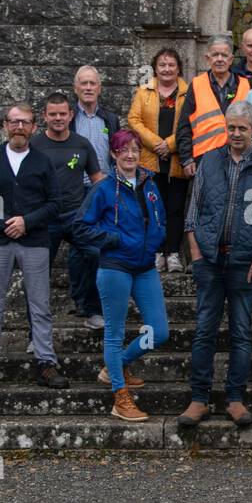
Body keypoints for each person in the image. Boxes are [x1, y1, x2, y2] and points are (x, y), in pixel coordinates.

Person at [179, 102, 252, 428]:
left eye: (242, 128)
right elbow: (192, 213)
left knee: (241, 334)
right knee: (204, 332)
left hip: (247, 264)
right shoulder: (210, 160)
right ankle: (198, 399)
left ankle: (235, 399)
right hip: (210, 263)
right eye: (231, 127)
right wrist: (197, 255)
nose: (236, 133)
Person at [0, 103, 69, 393]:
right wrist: (1, 223)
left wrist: (27, 221)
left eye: (24, 122)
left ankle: (45, 363)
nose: (19, 127)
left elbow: (55, 203)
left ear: (34, 127)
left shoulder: (42, 161)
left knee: (40, 306)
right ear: (5, 126)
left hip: (34, 241)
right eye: (14, 122)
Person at [71, 130, 171, 422]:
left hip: (145, 267)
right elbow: (80, 227)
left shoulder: (149, 183)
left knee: (159, 331)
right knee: (114, 333)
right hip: (114, 266)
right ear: (113, 154)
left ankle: (117, 365)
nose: (130, 155)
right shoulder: (102, 188)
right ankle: (120, 395)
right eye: (123, 150)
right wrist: (112, 239)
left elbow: (160, 218)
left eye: (135, 150)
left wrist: (157, 238)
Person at [29, 93, 105, 324]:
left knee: (95, 253)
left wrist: (100, 211)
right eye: (53, 114)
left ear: (71, 115)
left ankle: (91, 309)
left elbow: (98, 180)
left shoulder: (82, 144)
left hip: (76, 216)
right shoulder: (34, 145)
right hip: (44, 219)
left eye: (62, 113)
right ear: (44, 116)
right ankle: (36, 330)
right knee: (38, 273)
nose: (58, 118)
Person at [70, 65, 124, 325]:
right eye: (84, 83)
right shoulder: (68, 118)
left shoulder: (109, 119)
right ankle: (80, 300)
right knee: (78, 248)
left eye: (93, 83)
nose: (89, 88)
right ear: (76, 88)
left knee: (98, 246)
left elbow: (117, 152)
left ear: (100, 88)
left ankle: (95, 302)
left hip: (101, 188)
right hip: (74, 189)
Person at [129, 48, 190, 273]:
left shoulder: (188, 92)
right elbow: (134, 120)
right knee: (153, 207)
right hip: (150, 159)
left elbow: (192, 121)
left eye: (171, 65)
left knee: (175, 209)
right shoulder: (144, 91)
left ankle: (173, 254)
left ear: (179, 68)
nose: (167, 69)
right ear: (155, 68)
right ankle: (156, 252)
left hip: (177, 160)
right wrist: (157, 143)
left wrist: (170, 144)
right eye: (162, 65)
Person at [177, 34, 252, 177]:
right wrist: (187, 160)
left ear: (231, 59)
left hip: (239, 158)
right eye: (215, 54)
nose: (219, 59)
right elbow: (184, 125)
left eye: (224, 55)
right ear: (207, 58)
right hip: (204, 160)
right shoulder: (197, 84)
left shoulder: (245, 85)